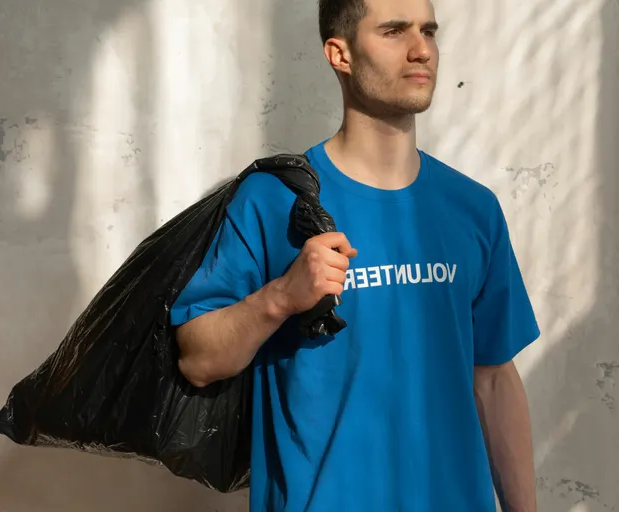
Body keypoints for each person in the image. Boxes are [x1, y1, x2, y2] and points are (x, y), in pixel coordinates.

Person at [171, 0, 541, 510]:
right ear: (339, 54)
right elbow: (197, 360)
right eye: (393, 31)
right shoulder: (272, 200)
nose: (421, 50)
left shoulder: (473, 208)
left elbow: (494, 379)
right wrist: (281, 297)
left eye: (428, 31)